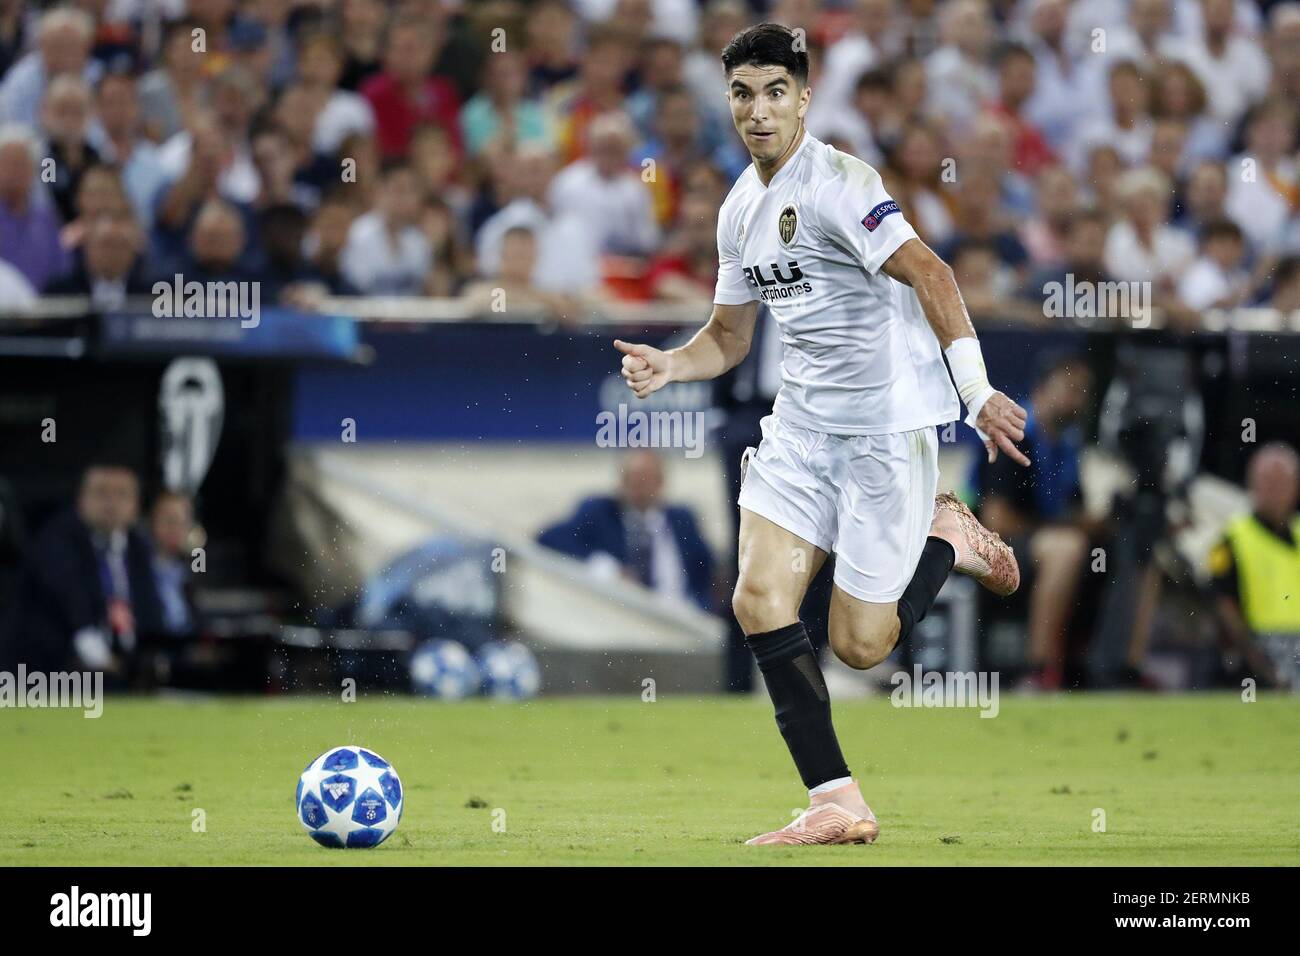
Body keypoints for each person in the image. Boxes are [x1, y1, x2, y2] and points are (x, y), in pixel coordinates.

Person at [613, 23, 1027, 846]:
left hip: (883, 432)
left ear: (804, 97)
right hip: (801, 430)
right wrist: (670, 365)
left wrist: (975, 392)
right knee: (757, 598)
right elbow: (728, 340)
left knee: (861, 645)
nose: (758, 111)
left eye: (775, 92)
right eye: (741, 94)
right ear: (727, 101)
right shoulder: (739, 208)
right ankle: (836, 799)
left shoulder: (842, 182)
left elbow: (934, 274)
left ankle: (946, 534)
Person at [972, 353, 1098, 689]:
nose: (1078, 400)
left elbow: (1072, 509)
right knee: (1065, 548)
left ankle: (1098, 666)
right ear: (1041, 391)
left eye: (1083, 392)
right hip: (983, 545)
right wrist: (1061, 529)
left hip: (1034, 541)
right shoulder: (1013, 433)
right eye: (1070, 389)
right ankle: (1038, 668)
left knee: (1115, 545)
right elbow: (995, 519)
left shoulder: (1067, 445)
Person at [0, 463, 164, 676]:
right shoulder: (55, 539)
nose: (111, 504)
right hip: (50, 669)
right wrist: (99, 654)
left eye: (122, 495)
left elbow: (150, 608)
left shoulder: (138, 548)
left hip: (123, 664)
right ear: (81, 499)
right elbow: (69, 598)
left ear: (136, 506)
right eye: (101, 493)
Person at [536, 449, 714, 612]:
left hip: (683, 620)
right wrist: (608, 569)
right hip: (623, 620)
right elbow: (549, 539)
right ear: (621, 482)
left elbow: (707, 569)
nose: (640, 487)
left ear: (661, 482)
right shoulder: (599, 513)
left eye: (647, 479)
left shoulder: (682, 520)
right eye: (633, 479)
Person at [1209, 443, 1300, 689]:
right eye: (1269, 483)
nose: (1276, 491)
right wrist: (1260, 663)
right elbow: (1223, 605)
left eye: (1283, 483)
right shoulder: (1232, 538)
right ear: (1252, 485)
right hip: (1260, 648)